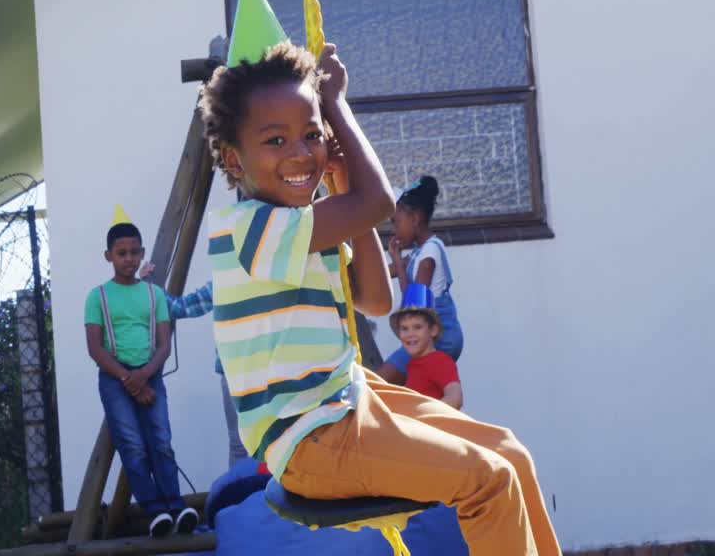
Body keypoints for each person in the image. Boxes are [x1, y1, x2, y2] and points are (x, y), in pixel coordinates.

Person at [197, 38, 560, 556]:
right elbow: (379, 202)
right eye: (275, 140)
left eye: (312, 134)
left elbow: (374, 300)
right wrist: (336, 104)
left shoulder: (308, 229)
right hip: (311, 439)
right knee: (488, 480)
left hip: (350, 402)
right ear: (234, 160)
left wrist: (342, 178)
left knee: (511, 455)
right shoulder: (249, 229)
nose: (300, 152)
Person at [84, 214, 198, 537]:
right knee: (132, 446)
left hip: (151, 376)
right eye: (121, 253)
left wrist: (145, 376)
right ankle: (155, 511)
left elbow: (164, 344)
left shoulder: (154, 295)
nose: (129, 259)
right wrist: (129, 380)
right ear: (108, 256)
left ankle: (176, 506)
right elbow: (95, 348)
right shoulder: (98, 297)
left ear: (142, 252)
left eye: (135, 252)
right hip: (114, 379)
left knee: (161, 442)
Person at [141, 270, 250, 468]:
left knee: (240, 445)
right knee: (264, 443)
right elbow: (181, 307)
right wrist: (149, 285)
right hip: (246, 372)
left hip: (239, 372)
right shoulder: (228, 278)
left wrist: (149, 285)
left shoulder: (225, 277)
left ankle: (245, 487)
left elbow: (181, 307)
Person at [379, 175, 462, 386]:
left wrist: (398, 262)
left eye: (396, 222)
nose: (393, 230)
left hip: (439, 336)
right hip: (426, 333)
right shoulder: (419, 252)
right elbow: (385, 272)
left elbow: (413, 302)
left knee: (382, 381)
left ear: (414, 219)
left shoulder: (429, 253)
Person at [391, 283, 462, 410]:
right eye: (404, 328)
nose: (410, 334)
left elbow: (455, 398)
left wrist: (424, 416)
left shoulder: (440, 361)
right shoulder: (411, 365)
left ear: (433, 330)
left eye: (417, 327)